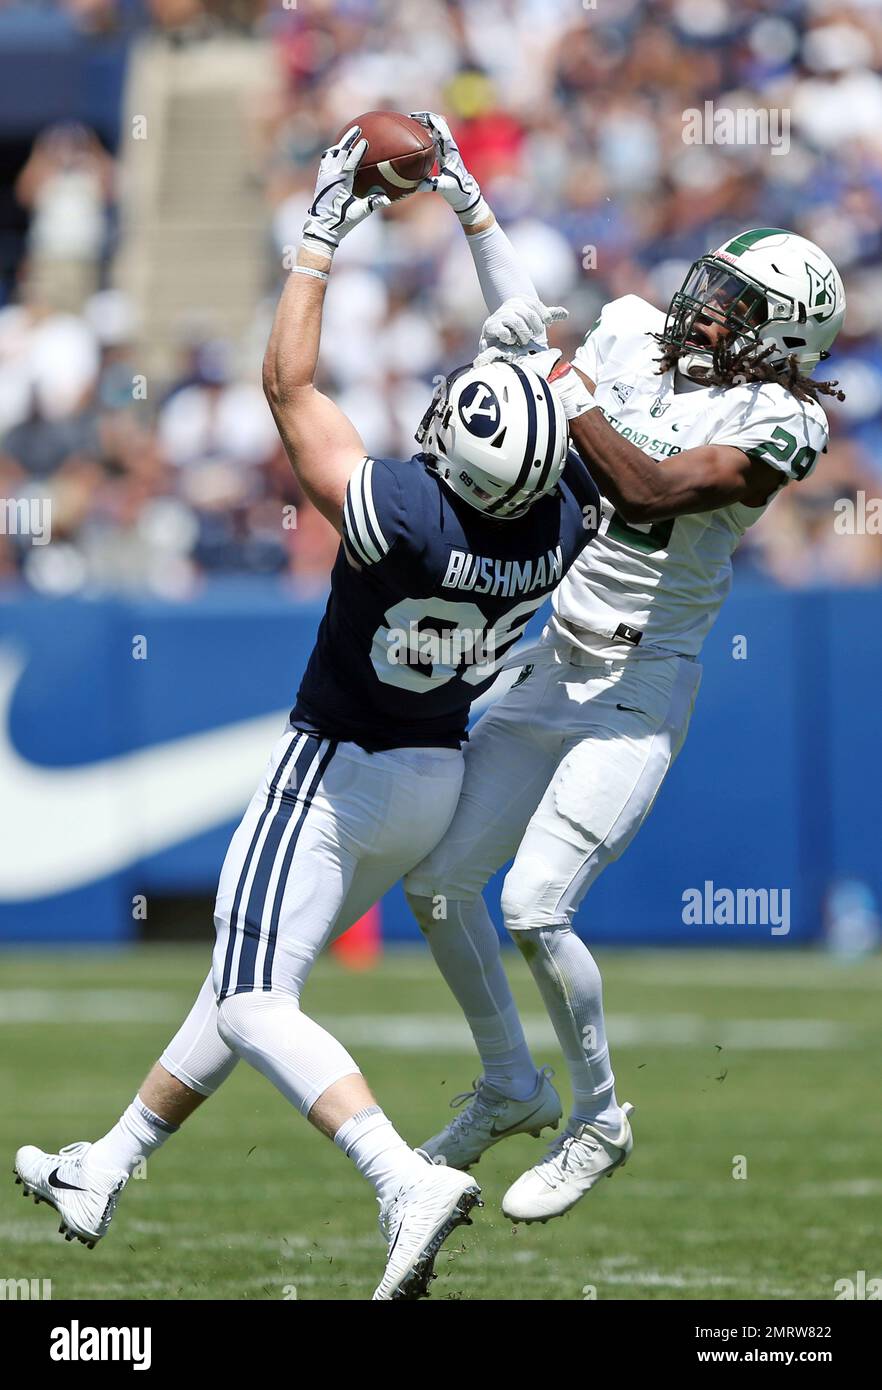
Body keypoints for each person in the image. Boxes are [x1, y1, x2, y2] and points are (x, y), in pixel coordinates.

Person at [13, 125, 602, 1300]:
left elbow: (286, 383)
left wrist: (325, 221)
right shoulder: (556, 520)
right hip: (432, 780)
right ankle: (106, 1164)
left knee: (248, 994)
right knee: (241, 986)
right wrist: (480, 219)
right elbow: (542, 355)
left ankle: (399, 1175)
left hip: (336, 773)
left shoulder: (400, 511)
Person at [401, 125, 846, 1225]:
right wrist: (470, 206)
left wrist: (560, 382)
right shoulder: (634, 329)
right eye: (711, 289)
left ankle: (601, 1120)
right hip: (555, 663)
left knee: (536, 905)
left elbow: (646, 489)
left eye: (734, 307)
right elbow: (537, 321)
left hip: (642, 688)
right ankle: (513, 1083)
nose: (702, 311)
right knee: (436, 882)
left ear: (782, 336)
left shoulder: (783, 419)